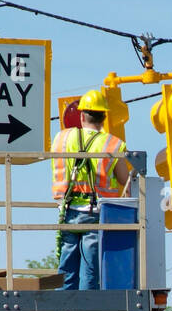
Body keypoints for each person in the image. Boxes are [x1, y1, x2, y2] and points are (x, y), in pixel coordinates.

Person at [51, 89, 132, 291]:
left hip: (67, 210)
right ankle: (86, 309)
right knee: (90, 267)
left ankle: (64, 307)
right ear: (104, 116)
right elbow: (124, 179)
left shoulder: (61, 138)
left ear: (81, 115)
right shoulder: (113, 144)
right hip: (96, 213)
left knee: (66, 264)